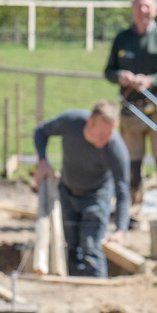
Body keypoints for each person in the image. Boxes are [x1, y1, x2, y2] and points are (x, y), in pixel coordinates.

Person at [31, 100, 130, 278]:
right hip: (67, 191)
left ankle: (97, 286)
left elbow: (123, 191)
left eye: (110, 133)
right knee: (69, 246)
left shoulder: (115, 148)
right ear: (90, 122)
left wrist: (120, 230)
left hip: (97, 196)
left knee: (91, 246)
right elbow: (40, 132)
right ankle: (73, 285)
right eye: (102, 133)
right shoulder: (71, 122)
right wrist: (43, 161)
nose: (106, 138)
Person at [104, 0, 157, 207]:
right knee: (131, 164)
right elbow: (109, 71)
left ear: (155, 10)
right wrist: (120, 76)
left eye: (147, 6)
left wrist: (150, 81)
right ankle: (130, 212)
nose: (143, 11)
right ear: (133, 10)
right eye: (139, 6)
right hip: (131, 109)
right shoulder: (123, 38)